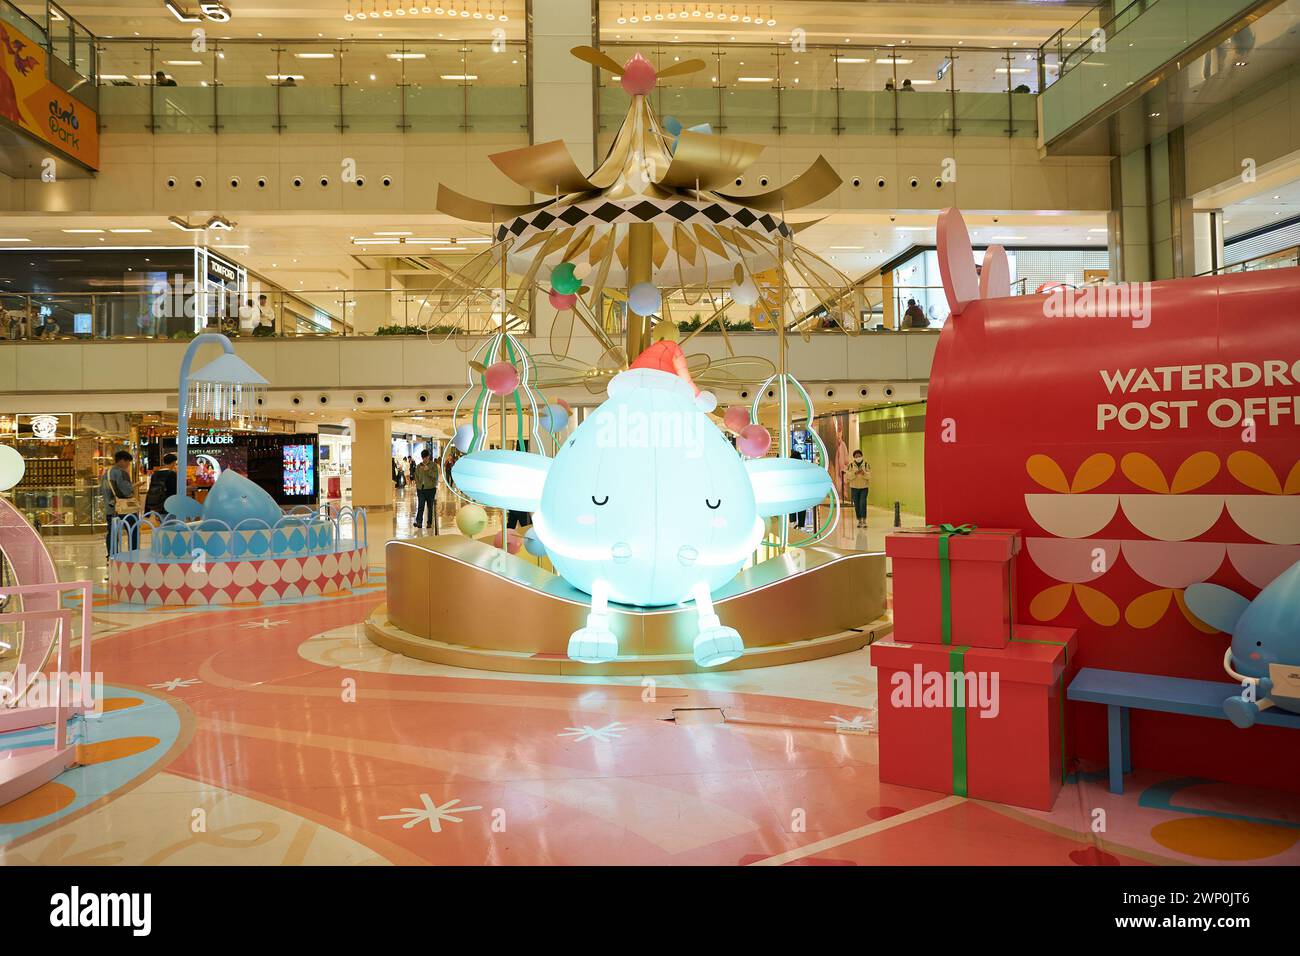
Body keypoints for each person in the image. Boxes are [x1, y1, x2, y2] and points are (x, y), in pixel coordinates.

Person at [102, 449, 137, 558]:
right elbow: (126, 491)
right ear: (121, 461)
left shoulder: (106, 473)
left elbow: (102, 491)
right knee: (133, 529)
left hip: (110, 508)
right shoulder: (122, 473)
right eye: (127, 462)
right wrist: (134, 486)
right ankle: (134, 553)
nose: (128, 465)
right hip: (124, 509)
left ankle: (112, 555)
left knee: (112, 532)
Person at [845, 449, 871, 529]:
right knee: (856, 504)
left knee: (862, 503)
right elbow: (848, 477)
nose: (858, 457)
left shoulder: (866, 465)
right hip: (854, 488)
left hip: (864, 487)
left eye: (859, 456)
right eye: (856, 456)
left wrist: (864, 473)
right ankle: (859, 520)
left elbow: (869, 476)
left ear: (862, 456)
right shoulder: (851, 465)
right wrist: (855, 473)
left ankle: (864, 520)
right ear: (854, 457)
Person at [414, 449, 439, 530]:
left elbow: (436, 476)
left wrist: (428, 470)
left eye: (426, 457)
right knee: (420, 505)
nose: (424, 459)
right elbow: (416, 477)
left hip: (431, 489)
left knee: (430, 506)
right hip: (421, 489)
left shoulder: (433, 465)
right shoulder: (418, 466)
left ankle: (429, 523)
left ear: (428, 457)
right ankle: (419, 522)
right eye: (423, 458)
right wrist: (418, 486)